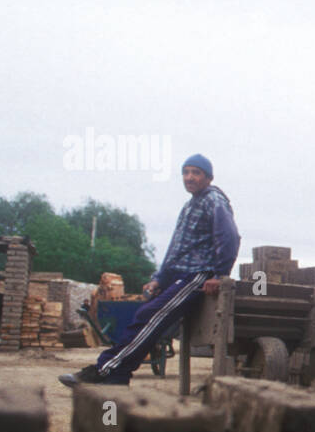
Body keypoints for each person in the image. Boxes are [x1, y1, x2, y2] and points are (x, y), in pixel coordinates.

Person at [60, 153, 240, 387]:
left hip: (198, 275)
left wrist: (219, 275)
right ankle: (116, 374)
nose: (189, 177)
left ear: (208, 177)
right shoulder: (190, 206)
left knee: (151, 316)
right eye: (185, 172)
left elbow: (230, 238)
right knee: (144, 317)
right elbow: (177, 249)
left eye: (196, 172)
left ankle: (105, 371)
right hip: (179, 275)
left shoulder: (214, 200)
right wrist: (159, 279)